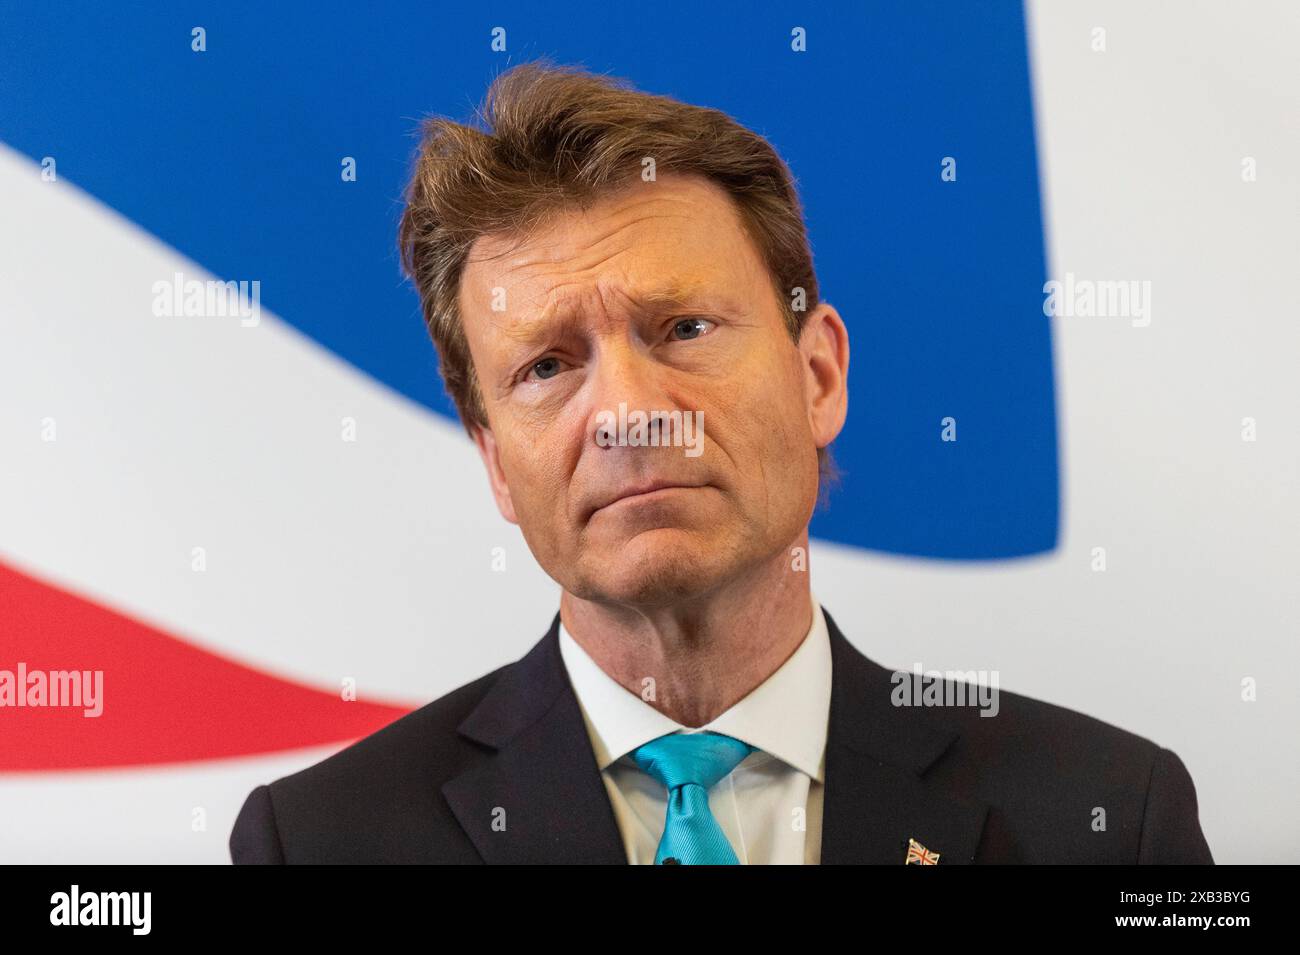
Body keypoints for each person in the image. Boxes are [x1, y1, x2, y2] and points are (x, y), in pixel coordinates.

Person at [229, 61, 1212, 864]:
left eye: (683, 327)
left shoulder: (1109, 820)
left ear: (817, 374)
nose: (627, 413)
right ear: (494, 462)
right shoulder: (320, 843)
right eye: (546, 365)